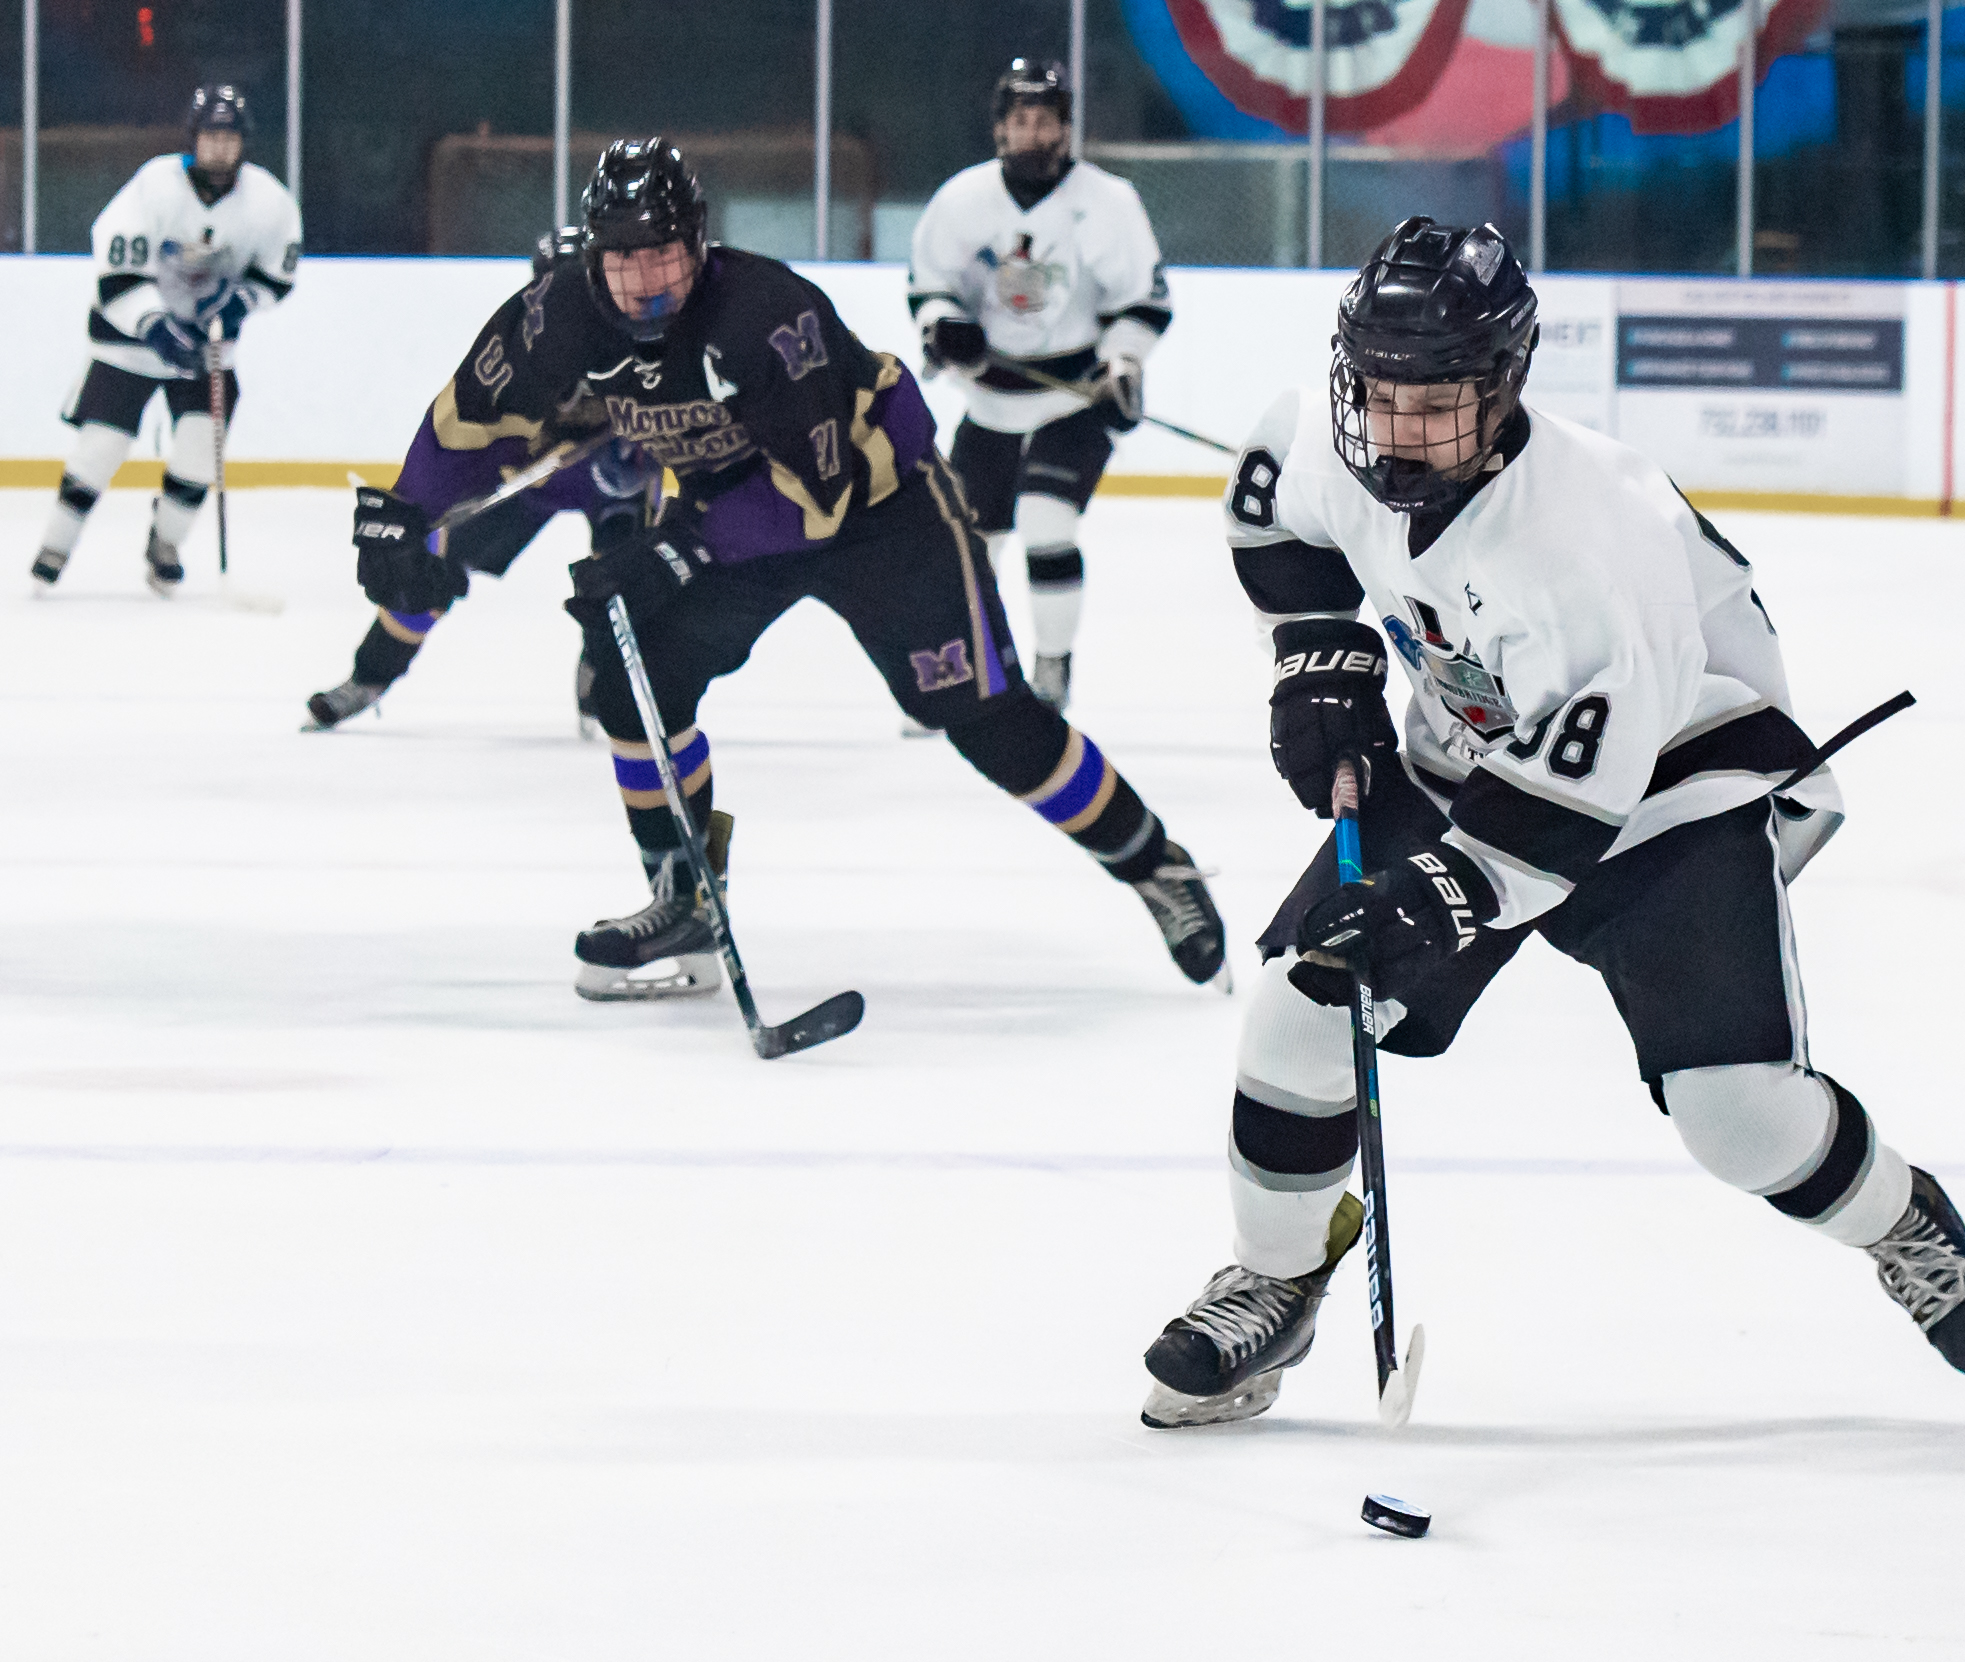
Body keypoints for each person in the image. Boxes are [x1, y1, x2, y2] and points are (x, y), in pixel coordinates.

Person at [1138, 219, 1965, 1428]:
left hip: (1669, 788)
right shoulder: (1324, 436)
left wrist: (1428, 898)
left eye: (1434, 402)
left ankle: (1901, 1219)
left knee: (1740, 1118)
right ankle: (1274, 1282)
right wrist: (1317, 662)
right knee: (1302, 1006)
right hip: (1470, 755)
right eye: (1377, 393)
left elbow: (1556, 823)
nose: (1395, 430)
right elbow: (1272, 513)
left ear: (1504, 389)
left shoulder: (1594, 553)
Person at [351, 139, 1227, 1001]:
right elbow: (466, 417)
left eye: (665, 254)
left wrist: (679, 547)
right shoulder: (552, 318)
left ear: (698, 244)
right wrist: (404, 515)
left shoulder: (768, 315)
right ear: (595, 259)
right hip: (723, 505)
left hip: (882, 510)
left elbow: (819, 497)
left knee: (979, 712)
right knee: (635, 681)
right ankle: (683, 895)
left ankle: (1154, 863)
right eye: (625, 259)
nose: (647, 280)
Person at [304, 228, 650, 734]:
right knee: (427, 570)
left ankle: (600, 681)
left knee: (624, 590)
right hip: (528, 485)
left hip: (613, 488)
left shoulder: (647, 335)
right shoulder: (516, 354)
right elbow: (459, 438)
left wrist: (639, 447)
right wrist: (415, 514)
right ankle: (370, 677)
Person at [906, 57, 1170, 715]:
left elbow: (1142, 301)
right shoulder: (963, 201)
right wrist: (944, 326)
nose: (1033, 133)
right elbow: (929, 286)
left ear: (1066, 129)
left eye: (1046, 121)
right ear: (999, 130)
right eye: (1020, 121)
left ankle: (1052, 668)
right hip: (988, 401)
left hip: (1072, 398)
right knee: (969, 546)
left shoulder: (1107, 203)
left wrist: (1122, 366)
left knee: (1047, 520)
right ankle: (970, 668)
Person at [31, 86, 301, 596]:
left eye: (230, 136)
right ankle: (55, 547)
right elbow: (116, 274)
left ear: (243, 143)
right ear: (193, 139)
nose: (220, 147)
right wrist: (154, 325)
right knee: (100, 448)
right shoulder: (154, 185)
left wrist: (242, 301)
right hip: (126, 343)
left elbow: (277, 278)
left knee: (200, 453)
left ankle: (166, 544)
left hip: (208, 348)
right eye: (210, 135)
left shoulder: (269, 201)